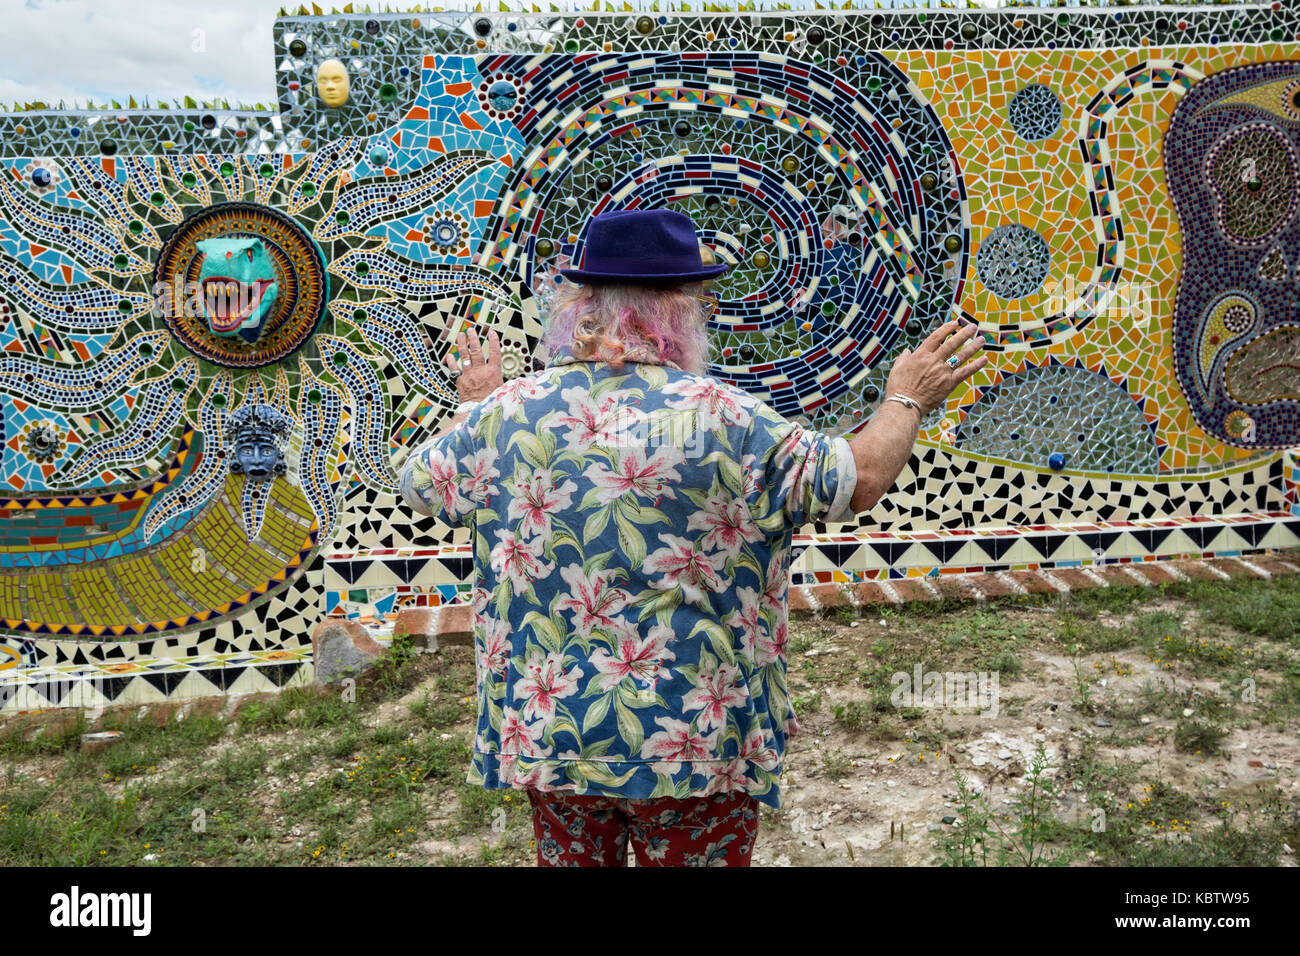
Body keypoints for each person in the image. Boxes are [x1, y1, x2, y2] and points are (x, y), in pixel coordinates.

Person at [399, 208, 987, 867]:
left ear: (584, 308)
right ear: (676, 311)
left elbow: (424, 485)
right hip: (693, 749)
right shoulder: (726, 419)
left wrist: (477, 404)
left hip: (555, 739)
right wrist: (906, 397)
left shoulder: (507, 414)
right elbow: (859, 477)